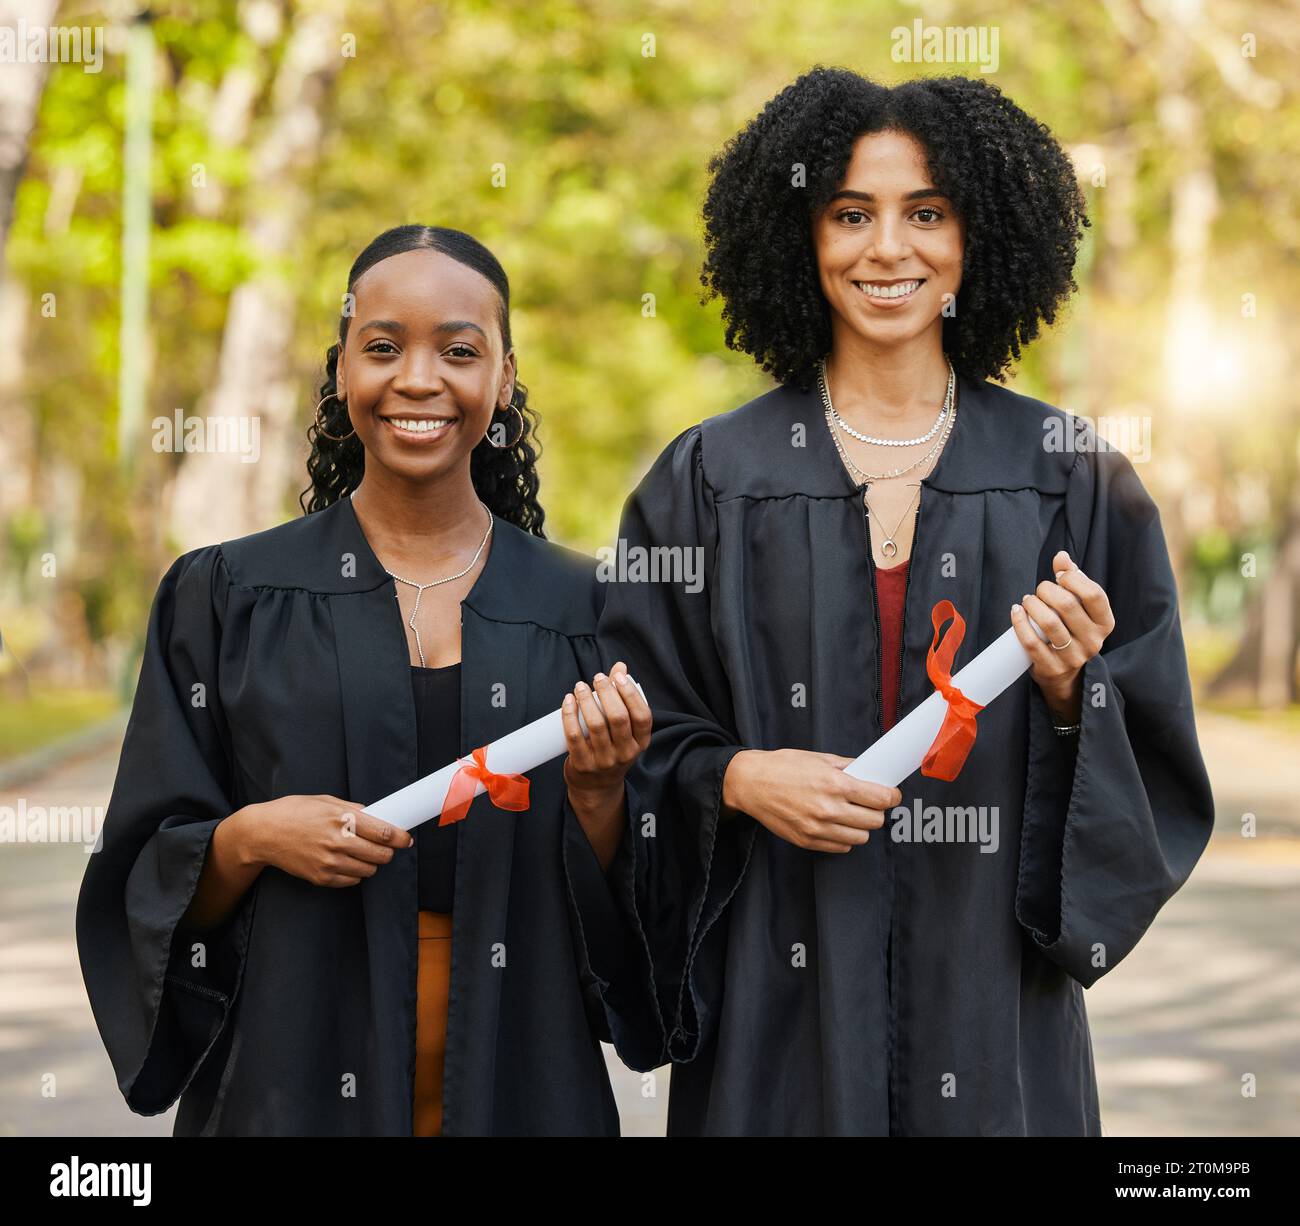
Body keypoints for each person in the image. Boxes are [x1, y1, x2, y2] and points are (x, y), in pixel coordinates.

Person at [595, 70, 1215, 1136]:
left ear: (981, 237)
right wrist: (738, 777)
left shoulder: (1067, 475)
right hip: (772, 1011)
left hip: (989, 1017)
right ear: (800, 237)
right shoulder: (708, 477)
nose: (889, 249)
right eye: (850, 214)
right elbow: (624, 734)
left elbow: (1150, 755)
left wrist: (1075, 692)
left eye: (926, 212)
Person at [76, 225, 661, 1136]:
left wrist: (599, 794)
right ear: (342, 369)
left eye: (459, 351)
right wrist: (249, 837)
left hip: (519, 1069)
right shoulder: (226, 595)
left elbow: (649, 898)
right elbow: (147, 859)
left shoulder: (590, 608)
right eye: (382, 347)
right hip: (291, 1066)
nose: (418, 379)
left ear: (504, 380)